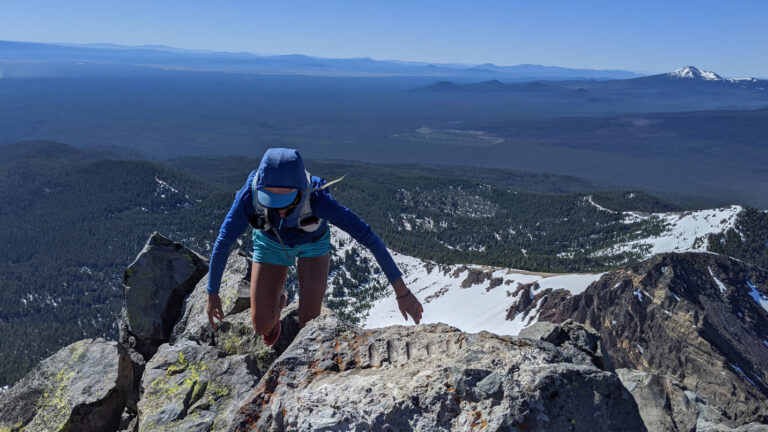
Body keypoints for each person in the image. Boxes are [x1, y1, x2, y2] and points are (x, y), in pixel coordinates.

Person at [206, 148, 423, 345]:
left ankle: (276, 299)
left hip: (313, 245)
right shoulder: (249, 195)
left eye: (285, 201)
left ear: (302, 191)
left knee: (309, 325)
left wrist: (402, 293)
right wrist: (212, 292)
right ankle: (278, 302)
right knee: (261, 326)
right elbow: (224, 239)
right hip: (271, 242)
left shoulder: (318, 199)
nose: (278, 210)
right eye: (269, 200)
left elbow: (368, 238)